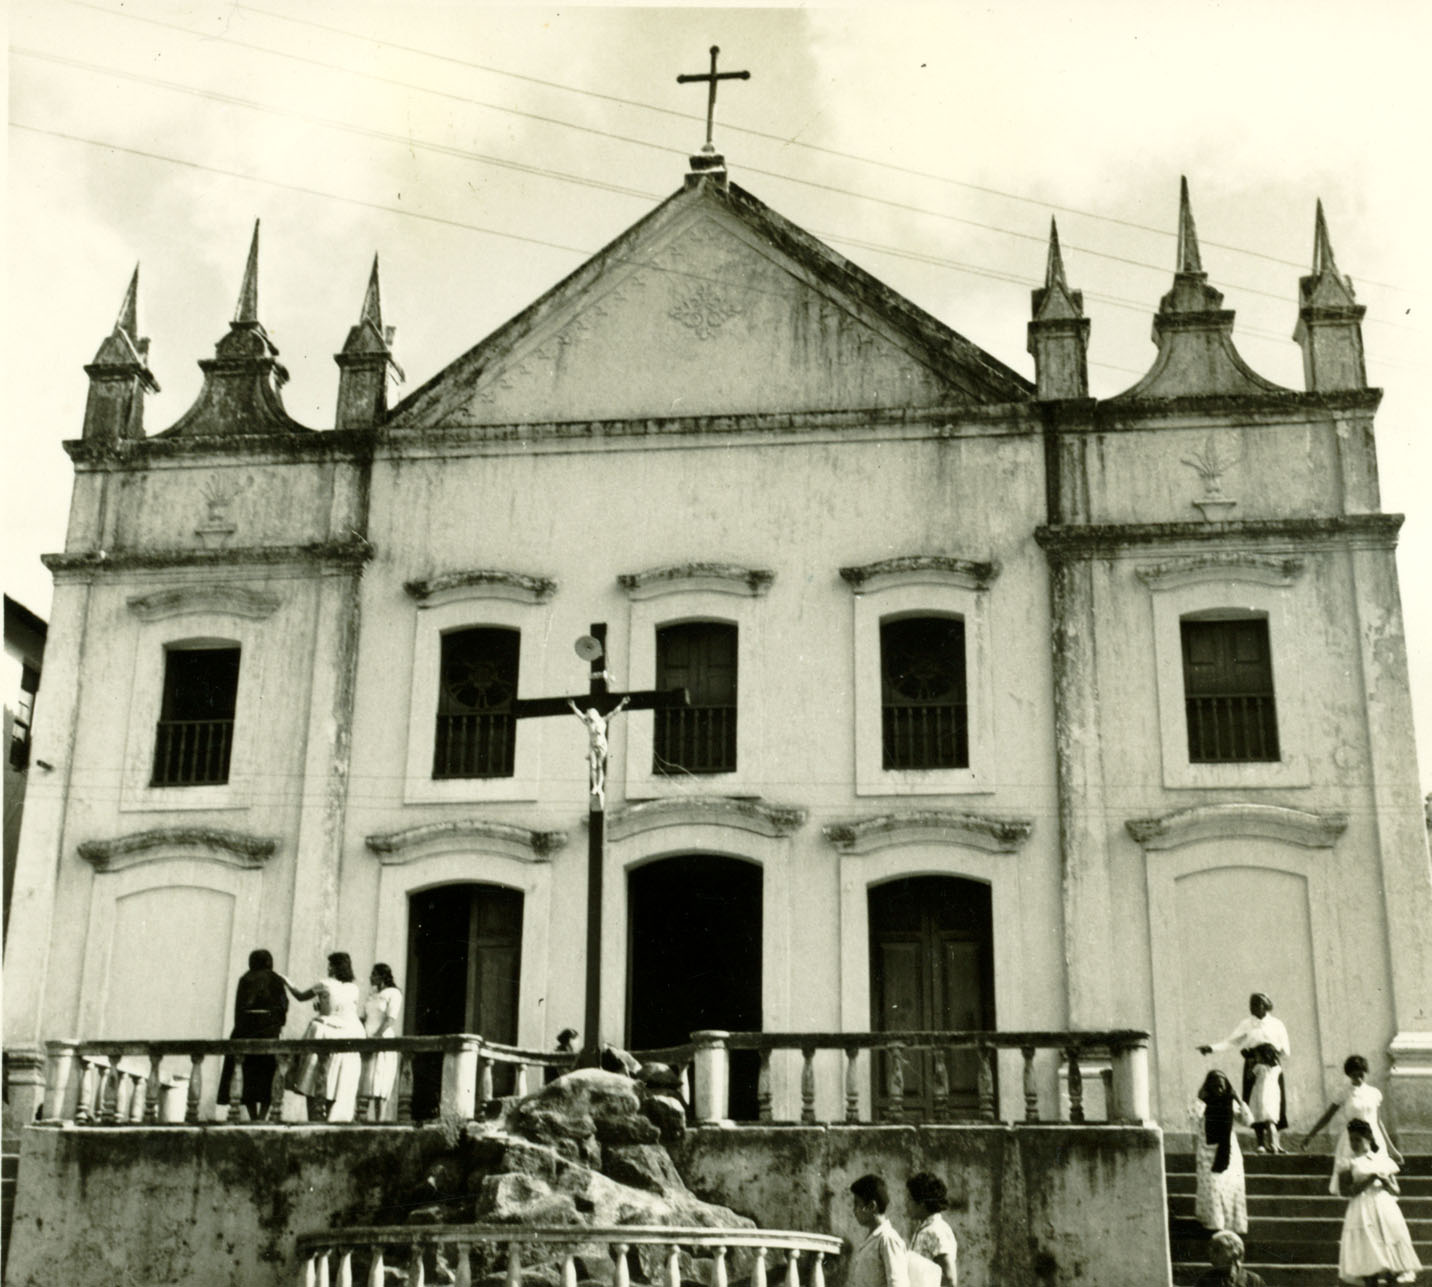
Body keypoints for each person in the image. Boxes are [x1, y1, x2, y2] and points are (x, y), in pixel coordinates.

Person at [1198, 992, 1289, 1153]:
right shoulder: (1247, 1024)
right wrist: (1211, 1048)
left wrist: (1272, 1055)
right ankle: (1260, 1142)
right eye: (1252, 1004)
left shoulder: (1277, 1024)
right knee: (1254, 1102)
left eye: (1257, 1004)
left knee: (1273, 1103)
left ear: (1265, 1005)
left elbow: (1285, 1050)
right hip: (1252, 1065)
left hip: (1272, 1066)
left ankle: (1275, 1142)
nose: (1254, 1007)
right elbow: (1231, 1042)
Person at [1301, 1054, 1404, 1196]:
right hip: (1352, 1140)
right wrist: (1310, 1136)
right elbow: (1327, 1116)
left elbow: (1378, 1122)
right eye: (1354, 1075)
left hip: (1374, 1139)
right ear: (1349, 1075)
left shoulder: (1374, 1093)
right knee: (1353, 1180)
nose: (1358, 1078)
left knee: (1380, 1179)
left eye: (1361, 1074)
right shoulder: (1344, 1093)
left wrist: (1393, 1150)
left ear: (1365, 1072)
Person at [1336, 1118, 1422, 1285]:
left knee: (1393, 1267)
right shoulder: (1348, 1162)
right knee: (1369, 1266)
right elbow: (1345, 1191)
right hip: (1362, 1211)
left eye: (1357, 1139)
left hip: (1385, 1208)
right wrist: (1370, 1179)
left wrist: (1385, 1182)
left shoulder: (1382, 1160)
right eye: (1351, 1139)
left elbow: (1396, 1191)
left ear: (1368, 1137)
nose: (1353, 1143)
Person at [281, 951, 365, 1122]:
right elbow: (342, 1009)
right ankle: (326, 1118)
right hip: (347, 1032)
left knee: (313, 1076)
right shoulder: (353, 988)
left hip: (326, 1031)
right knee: (335, 1079)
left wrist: (288, 983)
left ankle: (313, 1119)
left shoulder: (325, 983)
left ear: (334, 967)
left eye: (330, 965)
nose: (328, 968)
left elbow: (300, 996)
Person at [215, 948, 288, 1121]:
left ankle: (253, 1115)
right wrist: (277, 1025)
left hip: (246, 1030)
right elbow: (283, 1006)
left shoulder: (245, 979)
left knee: (246, 1075)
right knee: (267, 1075)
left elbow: (238, 1009)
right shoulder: (276, 979)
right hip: (269, 1031)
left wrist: (241, 1028)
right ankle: (262, 1115)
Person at [1189, 1069, 1251, 1234]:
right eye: (1215, 1086)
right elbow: (1192, 1117)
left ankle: (1233, 1225)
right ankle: (1214, 1225)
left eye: (1222, 1086)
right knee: (1212, 1189)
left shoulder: (1230, 1102)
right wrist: (1200, 1099)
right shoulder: (1204, 1102)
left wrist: (1238, 1098)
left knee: (1230, 1190)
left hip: (1229, 1154)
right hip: (1207, 1152)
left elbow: (1248, 1121)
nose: (1219, 1089)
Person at [357, 963, 403, 1121]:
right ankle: (362, 1121)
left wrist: (376, 1037)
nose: (371, 977)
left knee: (380, 1082)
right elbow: (365, 1017)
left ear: (382, 976)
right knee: (365, 1080)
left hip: (382, 1040)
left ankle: (380, 1121)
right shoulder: (372, 994)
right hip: (367, 1038)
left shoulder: (394, 993)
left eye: (374, 974)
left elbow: (390, 1019)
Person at [847, 1174, 909, 1287]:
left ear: (871, 1206)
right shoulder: (873, 1239)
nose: (854, 1210)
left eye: (857, 1204)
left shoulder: (888, 1239)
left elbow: (898, 1284)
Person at [906, 1172, 957, 1287]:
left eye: (910, 1199)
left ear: (922, 1203)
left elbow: (949, 1278)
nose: (906, 1204)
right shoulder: (925, 1229)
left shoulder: (935, 1231)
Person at [1194, 1231, 1267, 1287]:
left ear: (1235, 1253)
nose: (1211, 1256)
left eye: (1217, 1250)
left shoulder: (1254, 1281)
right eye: (1210, 1251)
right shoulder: (1206, 1281)